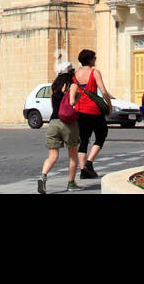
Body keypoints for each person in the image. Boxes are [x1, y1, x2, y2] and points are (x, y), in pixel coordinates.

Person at [38, 63, 80, 194]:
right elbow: (72, 102)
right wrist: (78, 97)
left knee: (52, 156)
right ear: (70, 73)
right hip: (67, 122)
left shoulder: (53, 86)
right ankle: (71, 183)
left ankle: (43, 176)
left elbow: (52, 104)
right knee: (72, 154)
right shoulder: (72, 86)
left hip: (53, 122)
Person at [74, 48, 112, 180]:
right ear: (90, 59)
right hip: (94, 110)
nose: (95, 59)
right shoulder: (95, 72)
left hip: (80, 110)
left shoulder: (76, 74)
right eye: (94, 57)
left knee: (83, 140)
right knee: (101, 135)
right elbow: (104, 91)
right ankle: (89, 163)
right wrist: (109, 106)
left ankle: (83, 170)